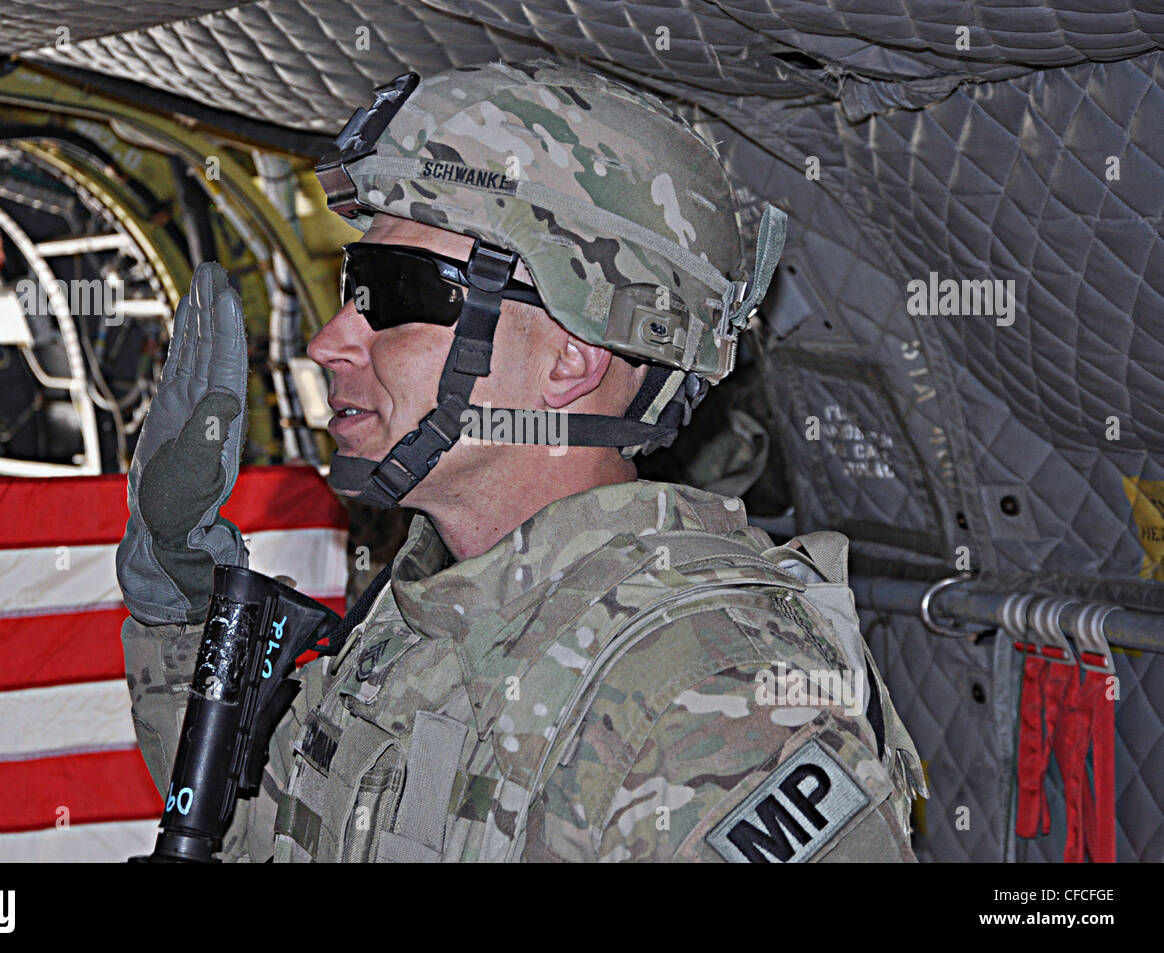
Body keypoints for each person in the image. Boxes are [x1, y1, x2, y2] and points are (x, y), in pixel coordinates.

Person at [116, 60, 925, 863]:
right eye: (350, 285)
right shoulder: (417, 620)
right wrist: (182, 598)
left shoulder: (715, 702)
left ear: (571, 360)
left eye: (399, 292)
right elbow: (273, 834)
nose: (331, 342)